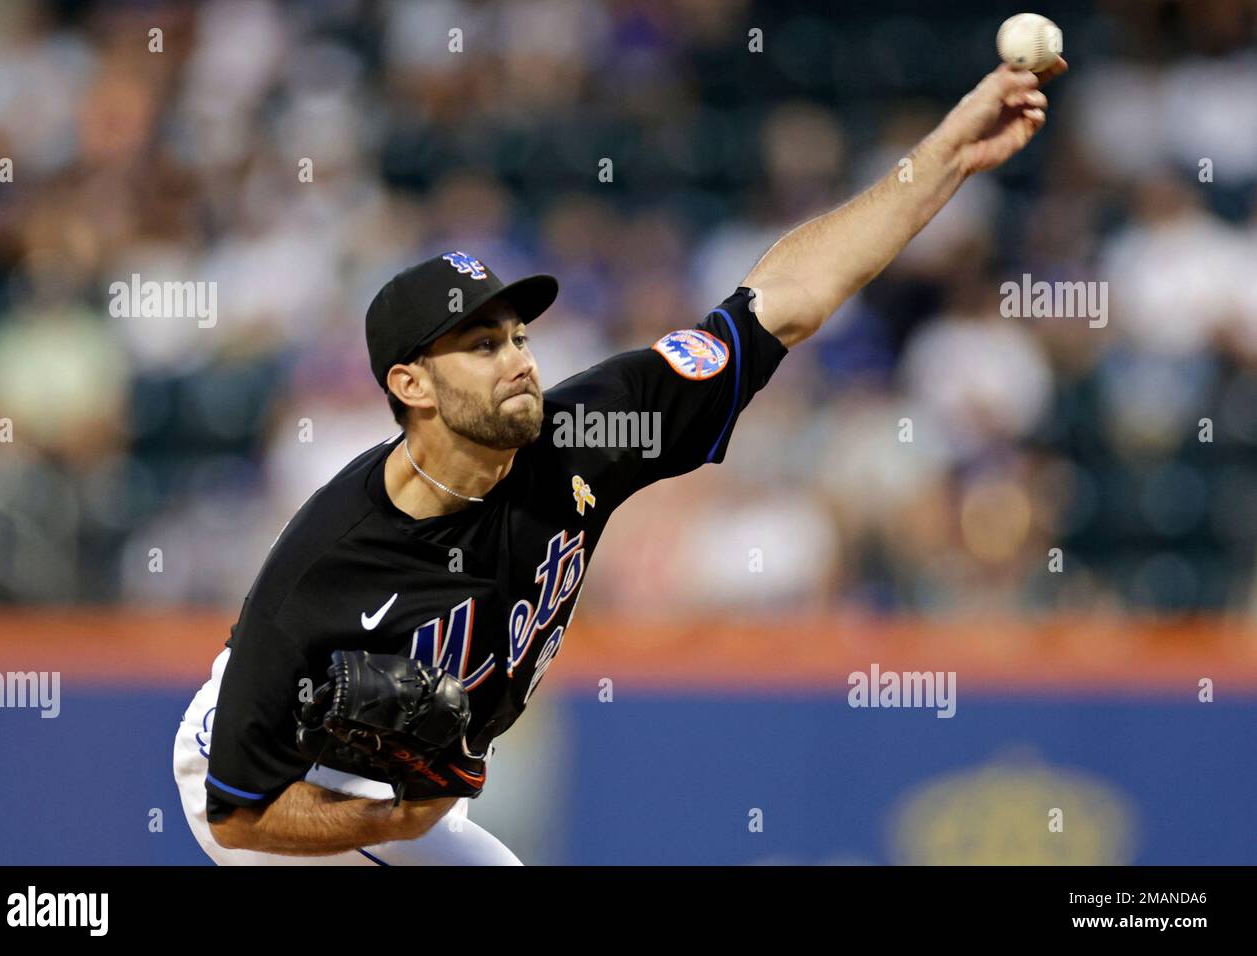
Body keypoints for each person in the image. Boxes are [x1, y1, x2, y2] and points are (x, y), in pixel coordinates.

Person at [172, 59, 1067, 865]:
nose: (519, 358)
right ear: (410, 382)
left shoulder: (586, 434)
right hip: (279, 784)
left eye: (518, 334)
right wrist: (389, 825)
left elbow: (781, 304)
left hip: (395, 798)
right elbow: (237, 815)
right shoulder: (325, 567)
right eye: (480, 345)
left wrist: (944, 154)